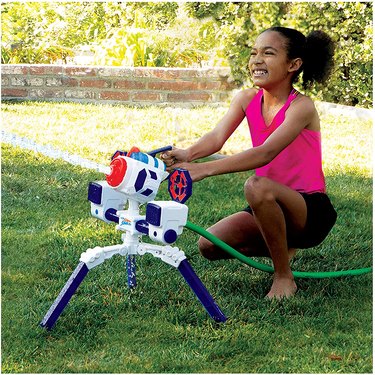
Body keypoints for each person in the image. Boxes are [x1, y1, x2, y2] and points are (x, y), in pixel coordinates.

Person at [161, 26, 337, 299]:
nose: (256, 59)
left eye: (268, 53)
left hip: (309, 209)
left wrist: (204, 169)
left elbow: (265, 153)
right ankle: (282, 241)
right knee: (209, 245)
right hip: (267, 204)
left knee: (255, 185)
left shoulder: (301, 107)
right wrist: (189, 154)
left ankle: (283, 276)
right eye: (254, 53)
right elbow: (217, 137)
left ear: (293, 64)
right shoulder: (246, 99)